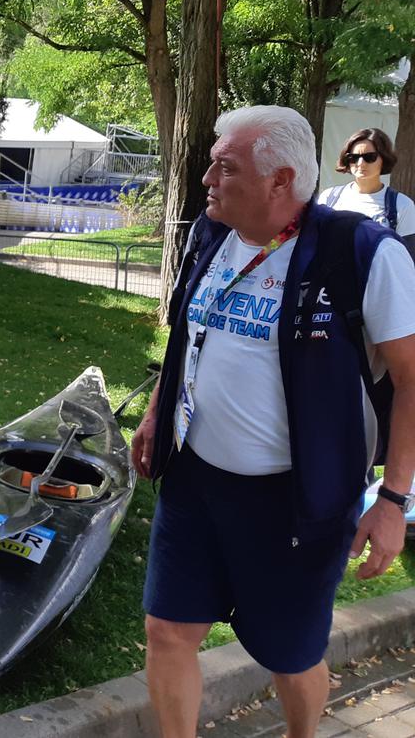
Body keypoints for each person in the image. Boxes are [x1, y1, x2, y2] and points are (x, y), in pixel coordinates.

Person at [130, 105, 415, 738]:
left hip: (296, 499)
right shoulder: (211, 234)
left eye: (224, 167)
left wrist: (393, 498)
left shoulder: (361, 254)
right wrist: (156, 414)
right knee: (167, 632)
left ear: (279, 181)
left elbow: (411, 378)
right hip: (194, 482)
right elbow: (187, 336)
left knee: (288, 656)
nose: (206, 178)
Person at [319, 127, 413, 239]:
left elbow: (406, 253)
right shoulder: (329, 198)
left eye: (369, 157)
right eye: (353, 158)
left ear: (384, 158)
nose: (360, 163)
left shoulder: (402, 205)